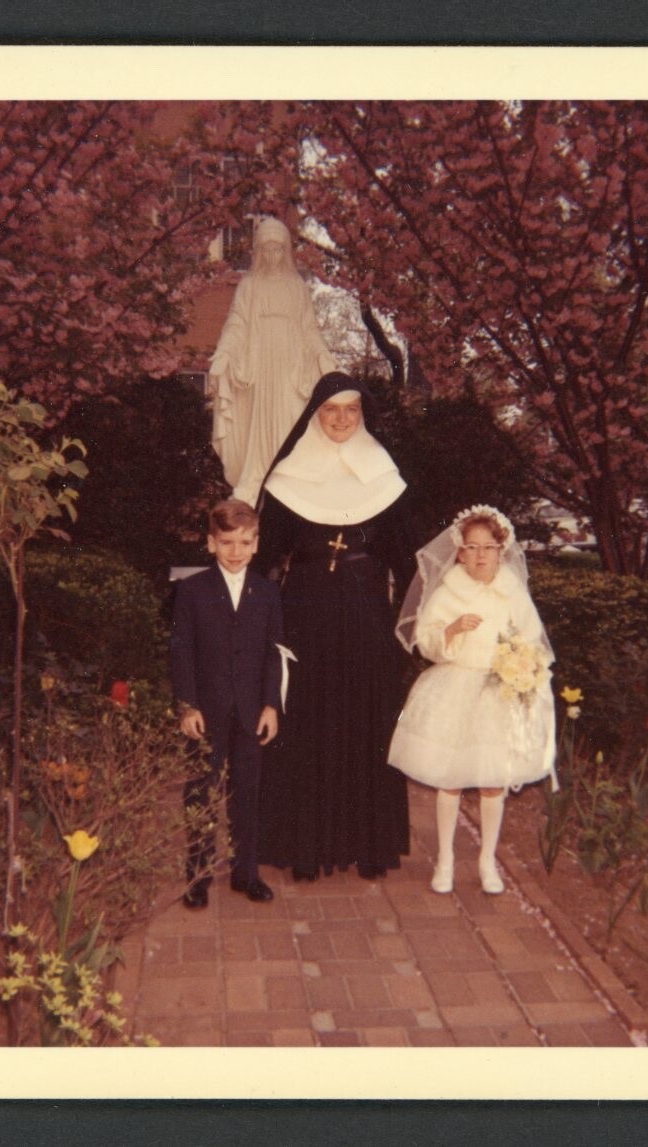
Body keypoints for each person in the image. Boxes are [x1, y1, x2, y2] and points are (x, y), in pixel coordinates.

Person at [256, 372, 417, 881]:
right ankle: (303, 847)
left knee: (365, 719)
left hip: (367, 614)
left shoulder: (387, 479)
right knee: (306, 720)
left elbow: (410, 562)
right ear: (315, 415)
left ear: (363, 415)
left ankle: (368, 846)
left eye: (351, 410)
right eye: (331, 411)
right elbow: (264, 561)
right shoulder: (286, 480)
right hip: (304, 614)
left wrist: (418, 627)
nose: (341, 419)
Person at [389, 506, 558, 894]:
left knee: (491, 781)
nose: (481, 555)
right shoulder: (450, 590)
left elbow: (533, 640)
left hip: (498, 694)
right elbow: (427, 641)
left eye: (489, 547)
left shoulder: (512, 591)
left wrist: (524, 666)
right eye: (471, 547)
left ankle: (487, 861)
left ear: (502, 550)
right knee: (450, 778)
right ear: (459, 553)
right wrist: (450, 629)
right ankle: (445, 860)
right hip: (455, 687)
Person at [169, 499, 286, 909]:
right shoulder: (192, 590)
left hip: (252, 710)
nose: (235, 552)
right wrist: (188, 706)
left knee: (247, 790)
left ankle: (246, 871)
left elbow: (273, 653)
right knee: (201, 788)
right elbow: (181, 653)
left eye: (244, 542)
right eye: (226, 542)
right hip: (208, 710)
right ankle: (198, 873)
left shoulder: (267, 592)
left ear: (256, 544)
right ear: (210, 543)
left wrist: (271, 705)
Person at [209, 216, 337, 507]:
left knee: (291, 419)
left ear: (285, 251)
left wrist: (322, 355)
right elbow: (237, 323)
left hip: (291, 364)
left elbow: (309, 329)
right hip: (260, 362)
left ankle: (289, 480)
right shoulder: (249, 285)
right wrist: (225, 353)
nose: (271, 255)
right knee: (260, 420)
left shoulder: (297, 287)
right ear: (258, 252)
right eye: (266, 249)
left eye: (277, 249)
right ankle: (256, 479)